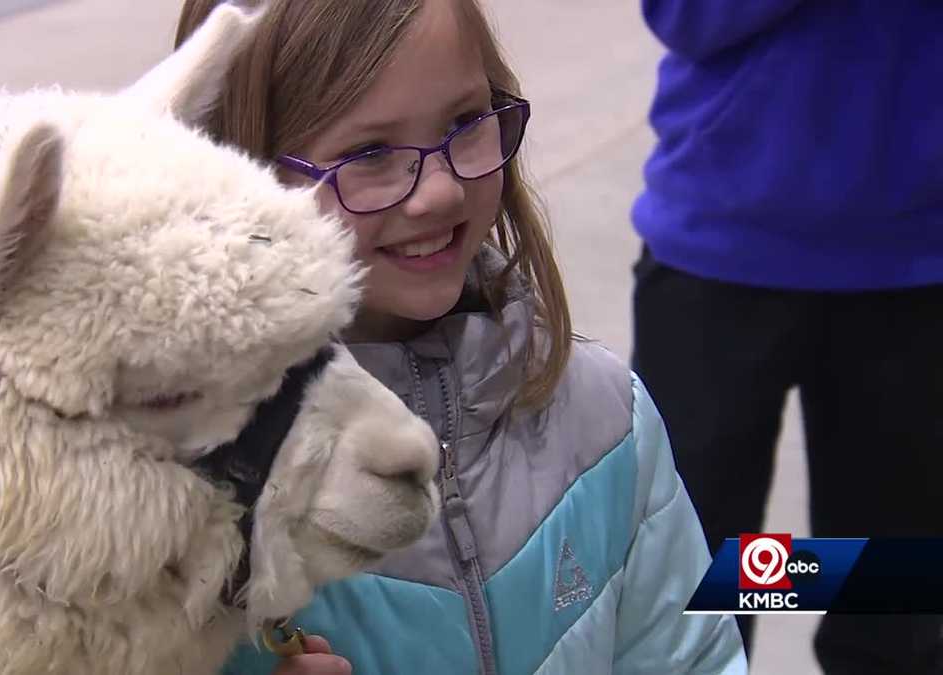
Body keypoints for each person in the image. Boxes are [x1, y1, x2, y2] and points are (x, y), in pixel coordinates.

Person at [172, 1, 746, 673]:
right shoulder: (181, 501)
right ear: (236, 175)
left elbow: (694, 655)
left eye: (466, 122)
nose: (440, 192)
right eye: (371, 153)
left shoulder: (605, 418)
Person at [632, 1, 943, 673]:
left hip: (916, 257)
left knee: (891, 596)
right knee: (696, 579)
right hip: (720, 242)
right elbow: (683, 16)